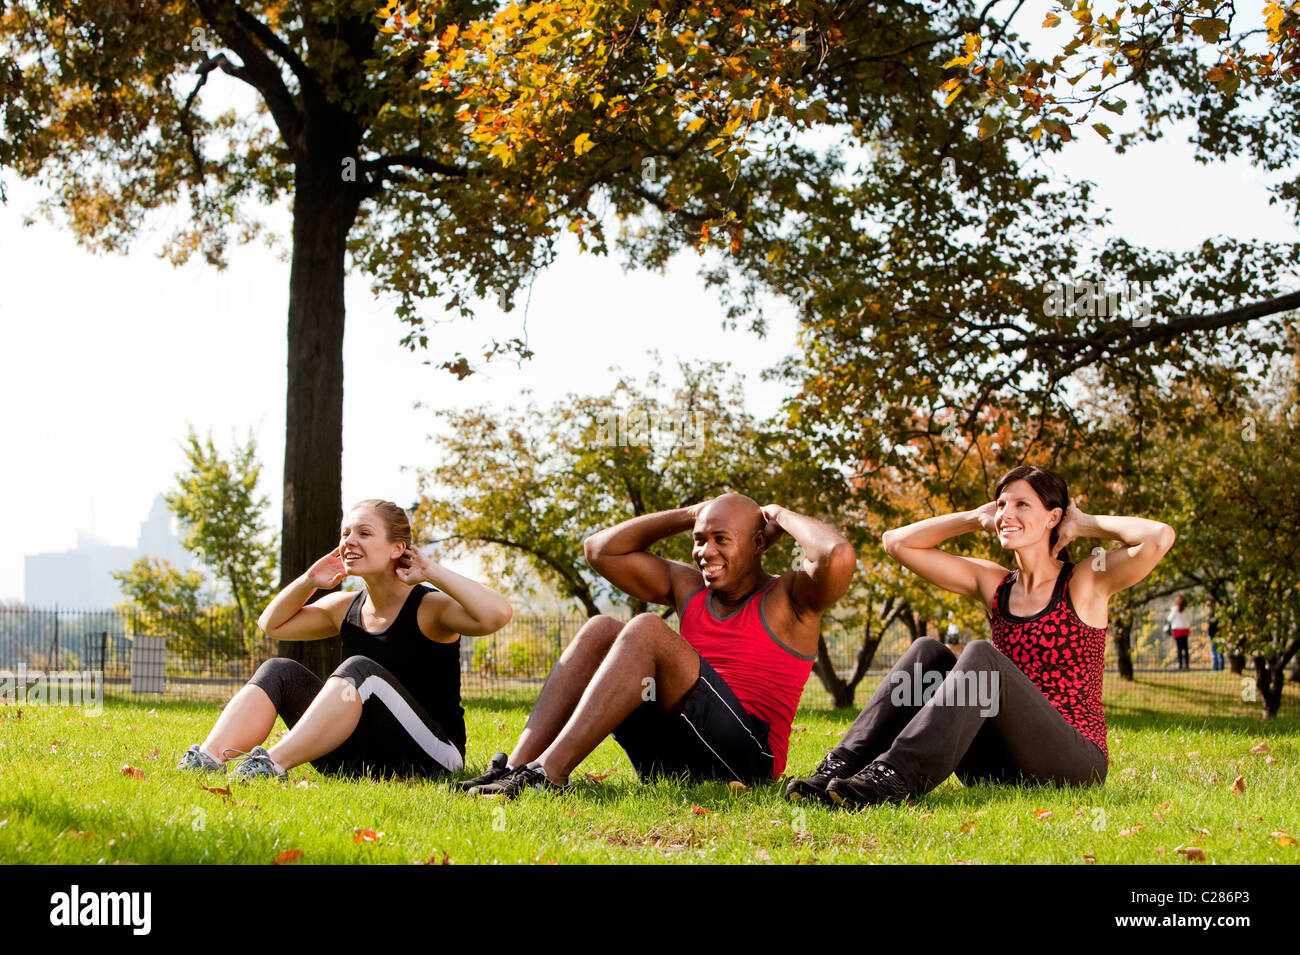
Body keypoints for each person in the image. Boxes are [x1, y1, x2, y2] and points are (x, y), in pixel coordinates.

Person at [785, 465, 1175, 808]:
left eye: (1023, 505)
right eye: (1003, 504)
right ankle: (837, 767)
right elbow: (897, 543)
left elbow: (1158, 537)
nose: (1008, 513)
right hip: (998, 765)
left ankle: (894, 777)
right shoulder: (996, 584)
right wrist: (975, 518)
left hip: (1072, 761)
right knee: (928, 652)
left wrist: (1082, 523)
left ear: (1053, 516)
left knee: (981, 656)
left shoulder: (1086, 580)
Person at [455, 492, 856, 797]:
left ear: (758, 544)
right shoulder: (688, 587)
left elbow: (835, 553)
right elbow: (600, 550)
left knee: (646, 628)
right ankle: (514, 768)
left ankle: (550, 773)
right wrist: (688, 515)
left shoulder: (793, 598)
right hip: (678, 753)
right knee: (600, 628)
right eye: (699, 540)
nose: (705, 552)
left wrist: (778, 516)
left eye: (721, 539)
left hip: (747, 760)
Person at [176, 499, 513, 781]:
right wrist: (310, 580)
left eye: (364, 533)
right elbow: (272, 624)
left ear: (398, 548)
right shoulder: (344, 607)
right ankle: (207, 758)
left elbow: (498, 614)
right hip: (356, 759)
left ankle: (269, 764)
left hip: (433, 756)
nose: (350, 540)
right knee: (279, 669)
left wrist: (432, 571)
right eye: (346, 533)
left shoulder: (430, 607)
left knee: (359, 670)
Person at [1166, 594, 1192, 671]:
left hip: (1177, 629)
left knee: (1179, 648)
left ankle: (1180, 664)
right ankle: (1186, 664)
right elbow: (1190, 619)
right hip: (1185, 629)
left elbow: (1169, 618)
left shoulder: (1174, 609)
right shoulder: (1187, 609)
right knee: (1185, 648)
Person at [1207, 600, 1224, 671]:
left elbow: (1211, 625)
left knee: (1214, 651)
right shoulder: (1219, 613)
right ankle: (1221, 667)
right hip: (1220, 634)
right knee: (1219, 651)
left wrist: (1209, 633)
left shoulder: (1212, 614)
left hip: (1213, 635)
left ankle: (1215, 667)